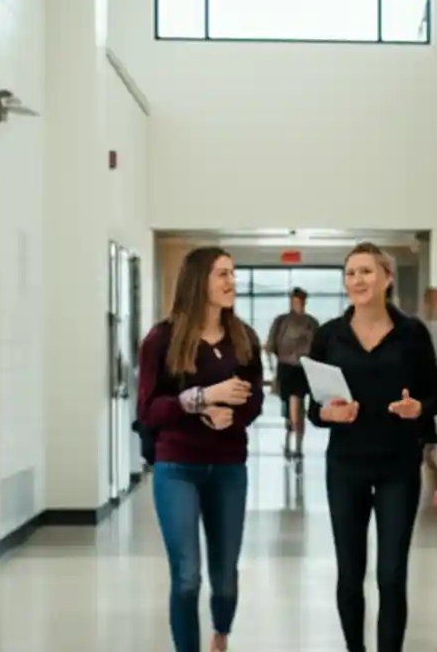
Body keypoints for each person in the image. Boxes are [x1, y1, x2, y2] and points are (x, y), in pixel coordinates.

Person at [306, 241, 437, 652]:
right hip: (345, 466)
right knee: (350, 573)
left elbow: (436, 395)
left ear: (387, 278)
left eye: (367, 271)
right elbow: (315, 404)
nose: (358, 280)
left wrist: (417, 408)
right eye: (351, 273)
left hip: (398, 467)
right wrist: (327, 415)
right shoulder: (329, 335)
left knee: (390, 575)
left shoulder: (412, 333)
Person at [136, 246, 264, 652]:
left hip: (229, 467)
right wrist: (201, 399)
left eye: (232, 273)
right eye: (222, 274)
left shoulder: (244, 338)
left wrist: (233, 416)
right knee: (188, 575)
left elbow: (255, 397)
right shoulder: (162, 339)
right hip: (177, 467)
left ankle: (221, 634)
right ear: (198, 282)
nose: (232, 282)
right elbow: (148, 410)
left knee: (224, 576)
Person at [266, 287, 320, 461]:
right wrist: (273, 368)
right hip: (286, 367)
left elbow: (319, 347)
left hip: (303, 368)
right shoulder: (282, 321)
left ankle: (297, 444)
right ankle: (292, 440)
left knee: (297, 407)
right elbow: (271, 345)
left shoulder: (311, 322)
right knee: (289, 408)